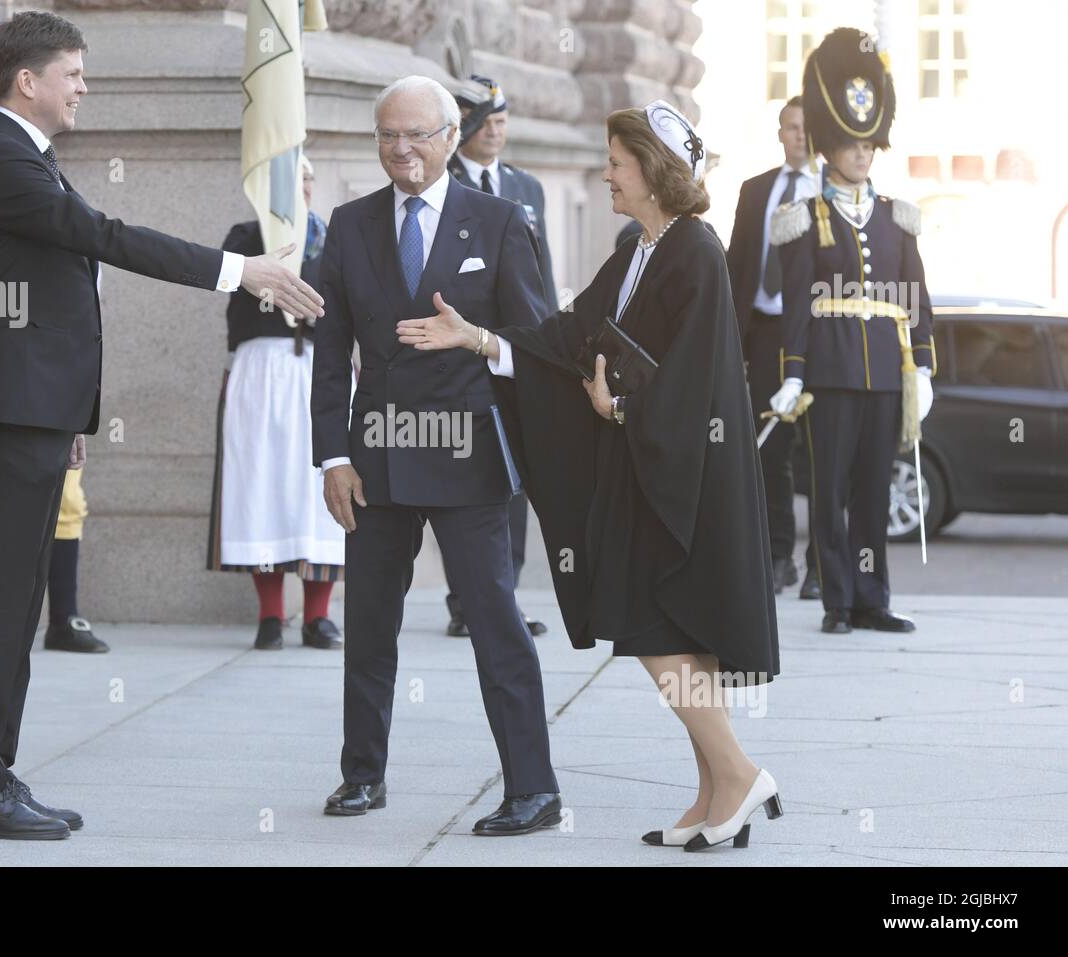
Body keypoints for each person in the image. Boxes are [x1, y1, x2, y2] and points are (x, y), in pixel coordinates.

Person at [0, 11, 322, 841]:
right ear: (26, 80)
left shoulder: (24, 156)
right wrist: (239, 271)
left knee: (18, 596)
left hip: (30, 409)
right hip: (6, 409)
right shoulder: (2, 155)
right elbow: (103, 238)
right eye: (72, 72)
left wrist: (69, 415)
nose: (84, 86)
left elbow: (56, 284)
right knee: (2, 603)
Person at [398, 101, 783, 852]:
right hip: (652, 469)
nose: (606, 173)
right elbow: (567, 335)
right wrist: (478, 338)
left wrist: (620, 407)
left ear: (652, 169)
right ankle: (714, 792)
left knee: (651, 624)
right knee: (674, 629)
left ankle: (738, 772)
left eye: (615, 162)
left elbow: (698, 379)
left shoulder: (694, 249)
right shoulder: (640, 248)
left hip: (688, 475)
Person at [310, 75, 562, 835]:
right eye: (388, 134)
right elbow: (329, 355)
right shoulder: (349, 225)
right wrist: (332, 458)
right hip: (377, 457)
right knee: (371, 624)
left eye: (417, 134)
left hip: (467, 455)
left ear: (452, 137)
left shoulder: (498, 221)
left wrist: (479, 341)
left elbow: (540, 338)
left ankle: (534, 787)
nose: (402, 150)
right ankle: (362, 776)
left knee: (494, 620)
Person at [769, 27, 935, 635]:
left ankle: (873, 599)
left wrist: (923, 366)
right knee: (829, 491)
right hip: (832, 374)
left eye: (869, 143)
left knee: (871, 492)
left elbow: (916, 297)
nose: (862, 153)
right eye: (850, 143)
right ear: (829, 146)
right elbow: (796, 307)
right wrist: (792, 374)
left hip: (885, 376)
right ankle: (837, 600)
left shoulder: (898, 218)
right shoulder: (804, 219)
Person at [0, 228, 108, 654]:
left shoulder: (67, 228)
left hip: (48, 374)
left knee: (65, 495)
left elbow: (83, 306)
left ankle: (64, 617)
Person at [207, 155, 344, 651]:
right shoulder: (244, 239)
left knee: (320, 488)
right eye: (287, 184)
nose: (299, 190)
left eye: (305, 181)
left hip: (315, 371)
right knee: (259, 485)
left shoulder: (334, 239)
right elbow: (228, 281)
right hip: (261, 372)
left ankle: (318, 617)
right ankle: (269, 615)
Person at [442, 74, 553, 638]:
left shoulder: (526, 187)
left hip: (516, 354)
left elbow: (542, 277)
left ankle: (503, 597)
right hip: (461, 349)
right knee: (467, 480)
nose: (496, 133)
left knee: (513, 479)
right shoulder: (445, 180)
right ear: (465, 127)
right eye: (488, 123)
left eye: (503, 122)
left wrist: (551, 344)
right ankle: (465, 600)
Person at [725, 96, 822, 599]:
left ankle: (821, 567)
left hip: (817, 337)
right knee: (770, 452)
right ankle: (779, 557)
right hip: (763, 335)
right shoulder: (755, 190)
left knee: (822, 453)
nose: (799, 136)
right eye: (790, 127)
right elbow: (738, 264)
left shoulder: (832, 193)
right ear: (780, 133)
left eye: (807, 127)